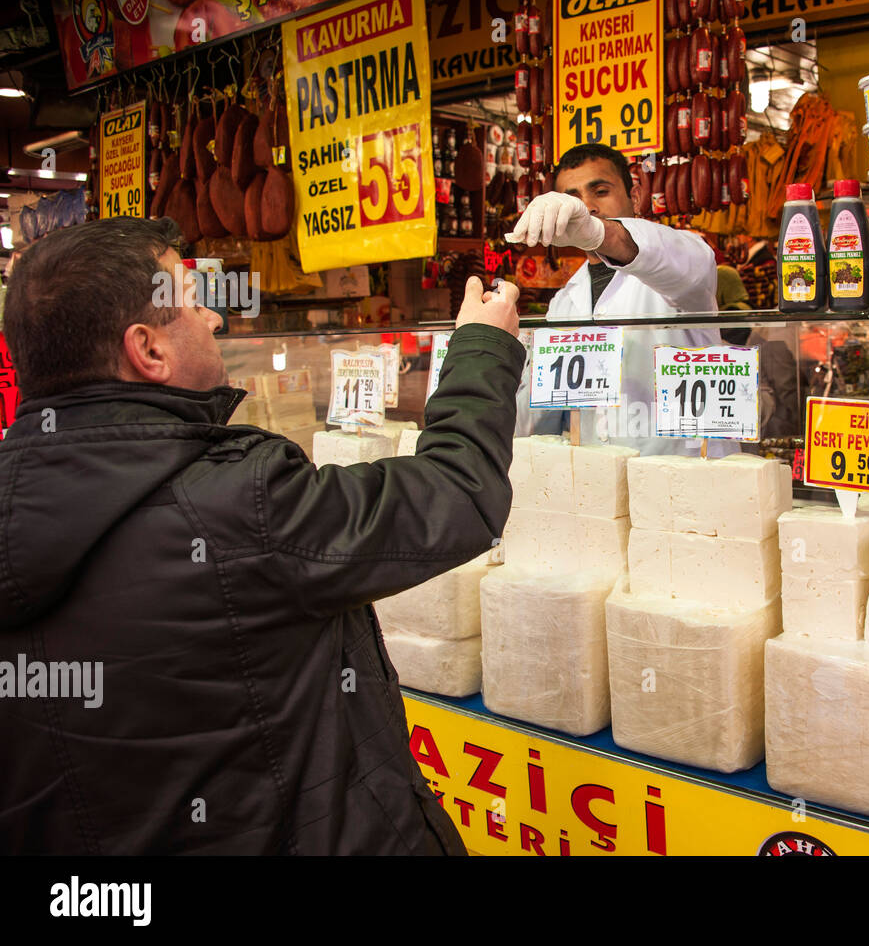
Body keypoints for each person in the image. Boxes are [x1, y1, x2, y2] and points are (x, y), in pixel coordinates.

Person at [0, 216, 526, 855]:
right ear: (149, 350)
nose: (216, 320)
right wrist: (480, 347)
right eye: (193, 304)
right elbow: (457, 491)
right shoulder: (237, 505)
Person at [507, 143, 738, 455]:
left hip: (689, 478)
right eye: (571, 199)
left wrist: (603, 234)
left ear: (636, 197)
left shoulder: (680, 266)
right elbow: (540, 424)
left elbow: (687, 257)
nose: (586, 208)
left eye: (600, 191)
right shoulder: (564, 303)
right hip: (599, 484)